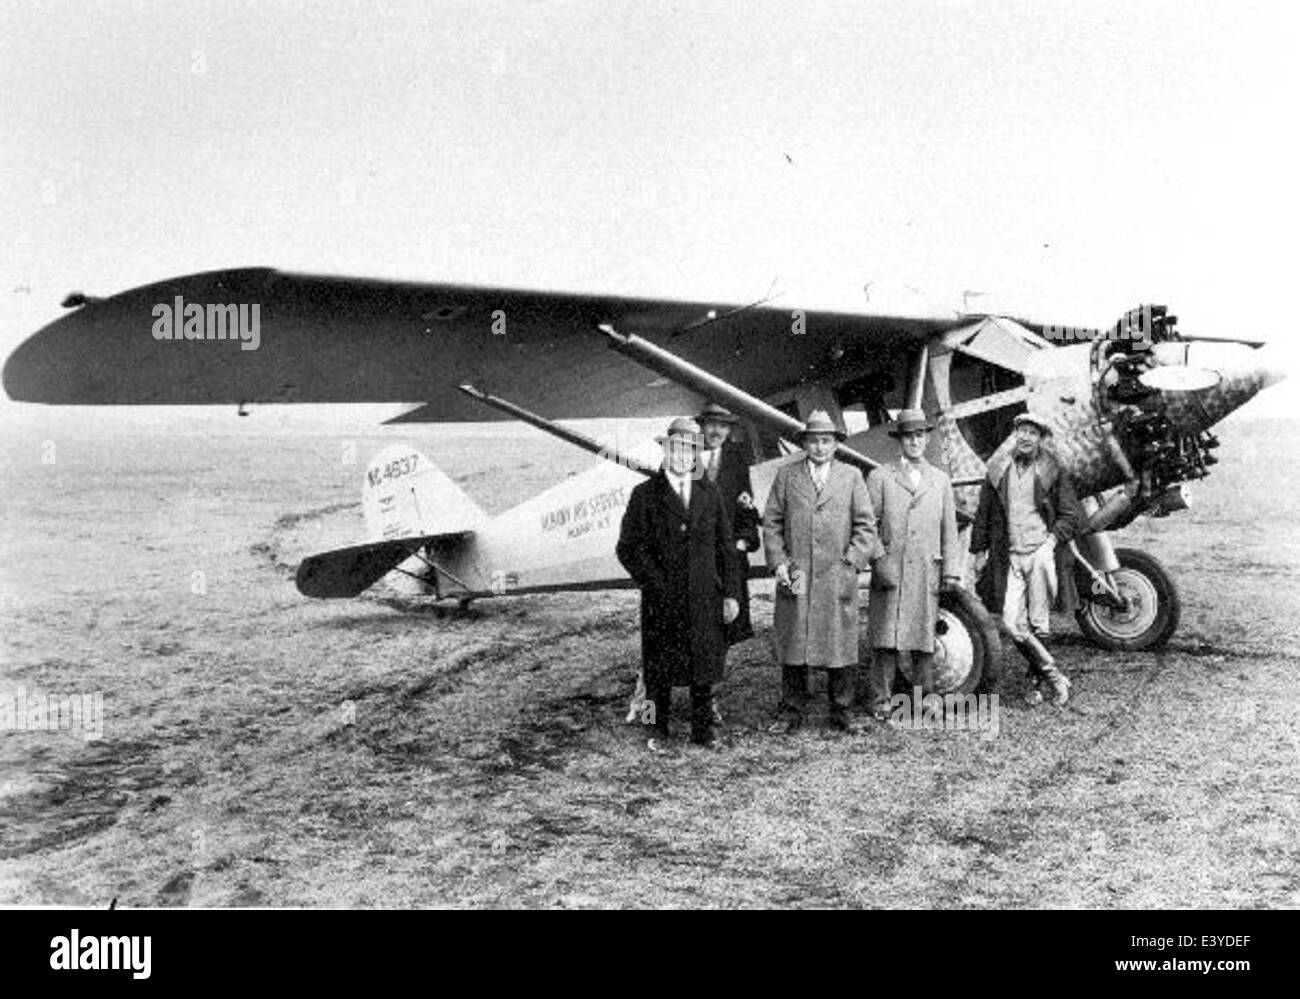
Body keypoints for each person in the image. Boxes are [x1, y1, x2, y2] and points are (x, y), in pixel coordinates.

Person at [617, 417, 741, 752]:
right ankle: (655, 730)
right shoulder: (644, 494)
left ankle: (703, 731)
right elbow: (628, 548)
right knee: (658, 670)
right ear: (665, 450)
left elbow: (726, 547)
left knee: (704, 665)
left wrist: (730, 593)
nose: (683, 456)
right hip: (661, 598)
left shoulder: (709, 492)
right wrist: (656, 584)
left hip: (704, 596)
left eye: (690, 450)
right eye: (676, 448)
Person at [763, 410, 881, 733]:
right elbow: (771, 523)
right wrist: (780, 562)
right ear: (804, 444)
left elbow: (866, 527)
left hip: (836, 575)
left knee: (840, 644)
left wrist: (851, 562)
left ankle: (841, 712)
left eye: (826, 441)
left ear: (836, 444)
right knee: (793, 642)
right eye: (813, 441)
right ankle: (790, 712)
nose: (819, 447)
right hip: (797, 573)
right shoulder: (787, 476)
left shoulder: (852, 477)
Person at [969, 412, 1083, 705]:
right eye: (1021, 431)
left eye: (1032, 433)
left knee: (1038, 622)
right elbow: (983, 512)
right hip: (1009, 556)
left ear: (1040, 439)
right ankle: (1055, 676)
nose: (1026, 437)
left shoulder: (1052, 470)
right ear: (1014, 434)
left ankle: (1034, 683)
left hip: (1041, 553)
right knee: (1010, 622)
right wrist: (979, 550)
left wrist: (1051, 542)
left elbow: (1072, 516)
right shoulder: (998, 469)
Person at [864, 409, 963, 719]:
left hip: (926, 569)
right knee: (886, 639)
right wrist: (880, 562)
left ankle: (924, 700)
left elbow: (950, 529)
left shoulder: (940, 480)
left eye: (920, 435)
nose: (915, 441)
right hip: (891, 568)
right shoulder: (880, 476)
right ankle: (881, 700)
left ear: (927, 438)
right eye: (909, 436)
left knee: (923, 638)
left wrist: (950, 569)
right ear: (900, 441)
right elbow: (867, 525)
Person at [695, 403, 761, 645]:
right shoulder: (685, 457)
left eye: (723, 425)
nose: (717, 431)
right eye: (712, 424)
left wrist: (744, 541)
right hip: (699, 552)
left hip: (731, 551)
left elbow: (746, 503)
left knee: (734, 627)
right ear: (702, 426)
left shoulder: (736, 460)